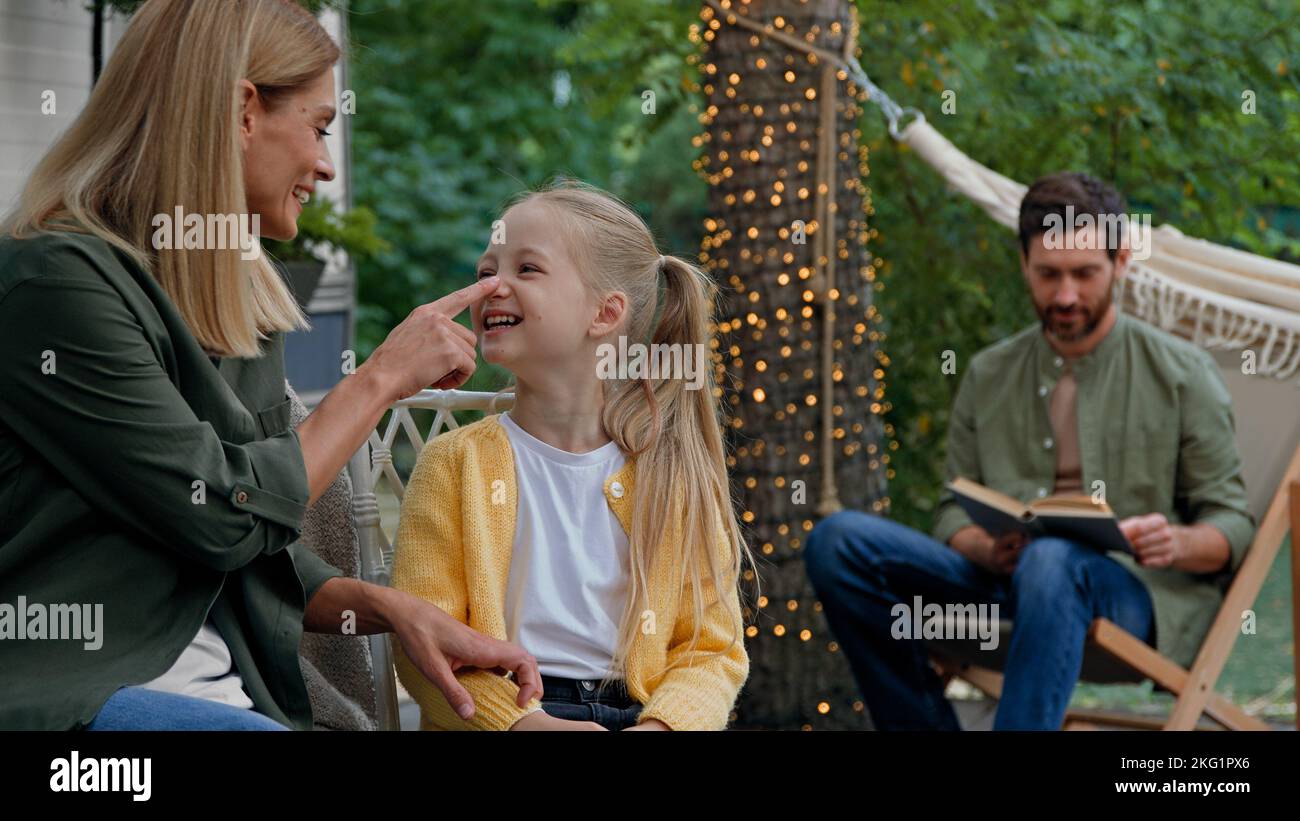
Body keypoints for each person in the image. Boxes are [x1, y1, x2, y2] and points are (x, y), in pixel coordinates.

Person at [0, 0, 540, 731]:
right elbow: (220, 513)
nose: (324, 163)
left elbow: (249, 550)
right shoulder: (54, 283)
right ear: (242, 111)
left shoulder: (235, 298)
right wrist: (381, 378)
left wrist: (392, 608)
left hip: (233, 696)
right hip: (80, 705)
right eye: (319, 126)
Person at [804, 172, 1255, 730]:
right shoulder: (988, 373)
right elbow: (950, 513)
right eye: (1048, 274)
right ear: (1024, 264)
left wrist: (1177, 540)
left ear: (1120, 263)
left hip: (1129, 597)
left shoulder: (1183, 375)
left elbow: (1233, 526)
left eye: (1085, 274)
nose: (1065, 296)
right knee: (838, 541)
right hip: (1001, 591)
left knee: (1054, 559)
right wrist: (987, 548)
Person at [391, 181, 752, 730]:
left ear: (605, 313)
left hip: (645, 715)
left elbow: (711, 651)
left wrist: (660, 727)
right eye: (486, 271)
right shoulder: (454, 464)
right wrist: (525, 725)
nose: (492, 288)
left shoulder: (671, 474)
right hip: (511, 718)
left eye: (526, 270)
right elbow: (423, 647)